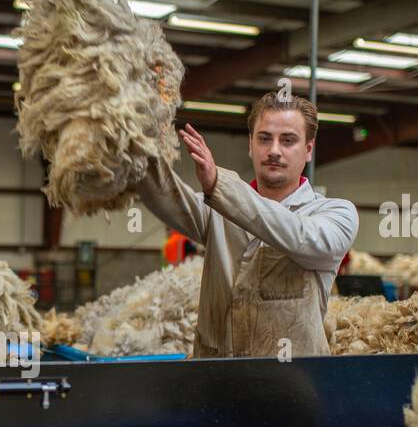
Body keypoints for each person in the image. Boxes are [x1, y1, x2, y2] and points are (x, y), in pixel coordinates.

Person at [136, 91, 358, 357]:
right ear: (251, 144)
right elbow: (167, 198)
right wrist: (135, 139)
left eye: (288, 141)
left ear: (308, 150)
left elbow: (303, 237)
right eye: (264, 139)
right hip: (216, 376)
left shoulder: (335, 213)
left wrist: (220, 185)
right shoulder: (216, 206)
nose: (274, 150)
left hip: (292, 383)